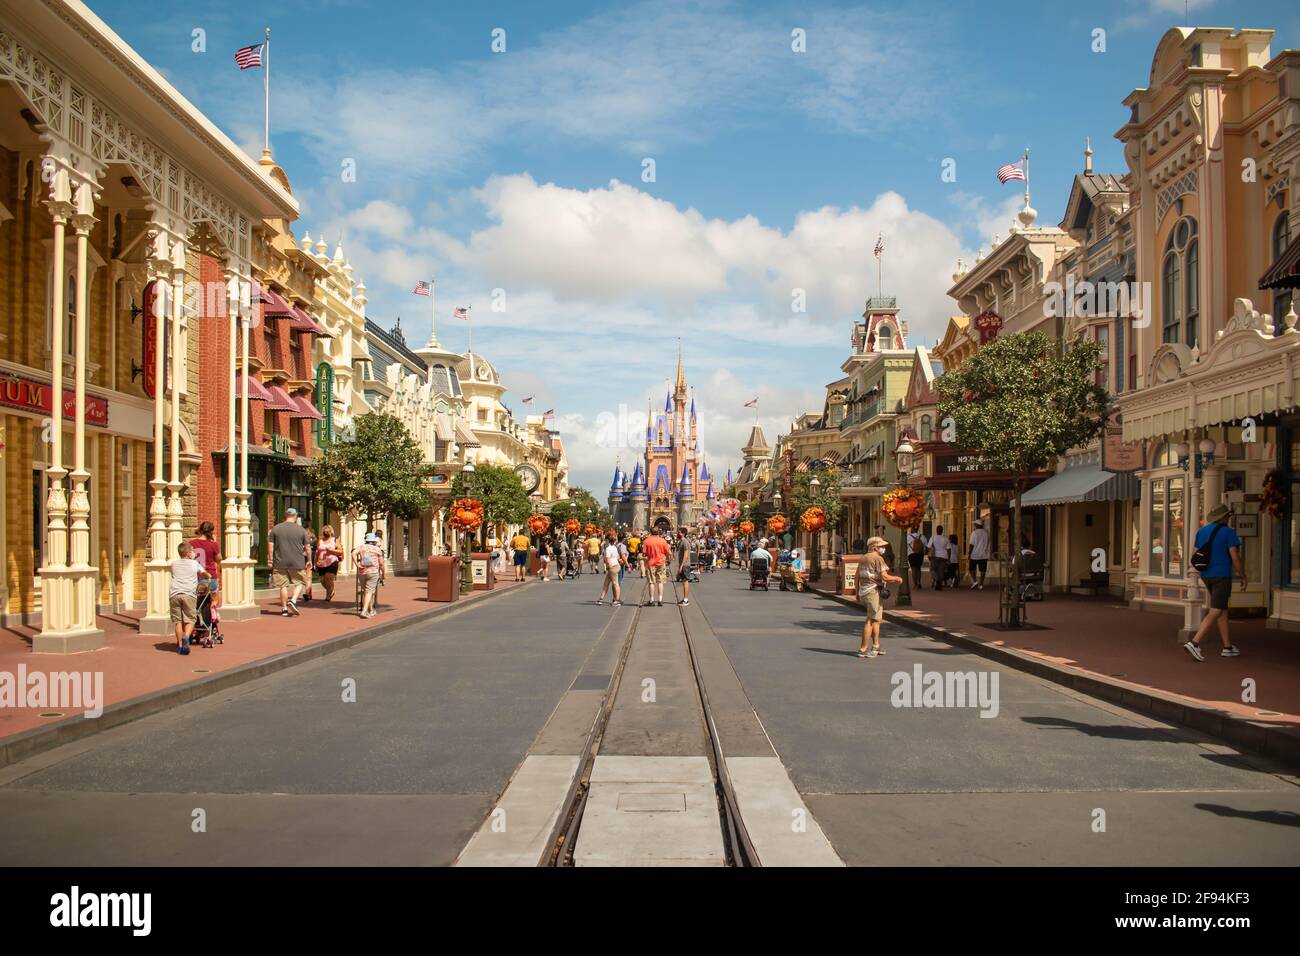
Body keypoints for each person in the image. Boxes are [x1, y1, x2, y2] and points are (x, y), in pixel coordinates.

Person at [1184, 504, 1246, 662]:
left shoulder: (1202, 531)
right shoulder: (1228, 532)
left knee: (1222, 608)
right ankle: (1195, 642)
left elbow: (1194, 554)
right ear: (1224, 517)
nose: (1229, 519)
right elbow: (1235, 557)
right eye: (1228, 516)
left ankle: (1227, 647)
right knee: (1216, 610)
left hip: (1206, 575)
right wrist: (1243, 575)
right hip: (1222, 575)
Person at [856, 536, 903, 659]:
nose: (883, 548)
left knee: (877, 619)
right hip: (873, 592)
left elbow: (857, 576)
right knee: (870, 620)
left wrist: (857, 592)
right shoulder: (878, 558)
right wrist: (897, 579)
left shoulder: (863, 558)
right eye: (881, 546)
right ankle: (863, 648)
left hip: (864, 591)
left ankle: (876, 645)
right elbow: (885, 576)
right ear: (875, 547)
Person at [267, 507, 311, 616]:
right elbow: (308, 547)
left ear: (285, 516)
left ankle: (284, 609)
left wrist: (270, 559)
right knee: (300, 582)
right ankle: (294, 600)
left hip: (280, 561)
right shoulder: (301, 530)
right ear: (295, 517)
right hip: (297, 561)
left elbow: (270, 546)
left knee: (283, 585)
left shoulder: (275, 529)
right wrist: (309, 560)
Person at [170, 540, 210, 655]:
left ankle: (180, 646)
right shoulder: (194, 563)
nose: (193, 553)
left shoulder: (173, 564)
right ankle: (186, 637)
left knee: (177, 621)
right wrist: (209, 575)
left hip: (174, 594)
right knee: (190, 619)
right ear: (187, 553)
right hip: (188, 594)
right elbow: (204, 573)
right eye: (192, 551)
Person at [189, 521, 221, 609]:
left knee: (195, 597)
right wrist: (214, 542)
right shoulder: (213, 544)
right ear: (211, 532)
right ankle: (213, 613)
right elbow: (219, 559)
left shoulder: (191, 543)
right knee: (214, 598)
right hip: (210, 575)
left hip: (196, 576)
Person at [354, 532, 385, 618]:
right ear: (374, 541)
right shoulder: (377, 549)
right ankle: (364, 611)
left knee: (366, 592)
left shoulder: (361, 547)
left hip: (362, 572)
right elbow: (381, 564)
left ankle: (371, 610)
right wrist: (383, 575)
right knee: (369, 592)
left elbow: (353, 553)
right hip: (373, 572)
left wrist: (357, 564)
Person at [641, 527, 671, 607]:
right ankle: (660, 600)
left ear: (650, 532)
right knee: (660, 581)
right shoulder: (663, 541)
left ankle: (651, 600)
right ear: (658, 532)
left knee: (651, 582)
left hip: (651, 563)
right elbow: (668, 552)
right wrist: (666, 559)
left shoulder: (646, 541)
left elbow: (644, 553)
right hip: (661, 563)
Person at [314, 525, 344, 601]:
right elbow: (317, 552)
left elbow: (340, 551)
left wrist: (332, 550)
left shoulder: (334, 540)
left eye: (327, 531)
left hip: (332, 562)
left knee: (329, 578)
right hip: (321, 563)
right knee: (322, 580)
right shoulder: (320, 541)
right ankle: (331, 590)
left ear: (331, 532)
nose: (326, 533)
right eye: (324, 531)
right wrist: (315, 563)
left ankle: (328, 595)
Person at [597, 531, 623, 607]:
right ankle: (601, 599)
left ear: (608, 540)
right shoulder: (615, 547)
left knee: (615, 584)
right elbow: (618, 557)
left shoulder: (608, 549)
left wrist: (608, 566)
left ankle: (617, 600)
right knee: (606, 583)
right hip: (616, 566)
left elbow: (607, 559)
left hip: (612, 567)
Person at [968, 520, 990, 590]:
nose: (974, 526)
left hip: (974, 554)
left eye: (975, 524)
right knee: (983, 570)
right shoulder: (986, 533)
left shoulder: (974, 533)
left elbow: (971, 544)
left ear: (977, 525)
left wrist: (969, 553)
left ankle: (974, 581)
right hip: (984, 554)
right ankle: (981, 584)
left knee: (971, 569)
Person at [675, 530, 694, 606]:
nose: (677, 533)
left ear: (683, 533)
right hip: (683, 565)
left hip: (685, 565)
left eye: (679, 532)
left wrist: (681, 566)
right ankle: (685, 599)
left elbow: (686, 555)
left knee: (685, 581)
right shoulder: (681, 541)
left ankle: (686, 600)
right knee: (683, 581)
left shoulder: (685, 542)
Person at [929, 525, 949, 591]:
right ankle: (939, 584)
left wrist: (927, 554)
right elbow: (949, 549)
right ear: (942, 530)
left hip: (935, 556)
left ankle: (937, 580)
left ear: (936, 530)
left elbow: (928, 546)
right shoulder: (946, 538)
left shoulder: (933, 537)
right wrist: (948, 557)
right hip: (944, 556)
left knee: (932, 569)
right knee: (941, 571)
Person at [301, 526, 318, 602]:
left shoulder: (315, 541)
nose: (306, 534)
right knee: (307, 578)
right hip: (302, 560)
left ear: (311, 533)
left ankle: (307, 593)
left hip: (310, 560)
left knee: (308, 577)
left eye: (308, 533)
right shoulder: (302, 540)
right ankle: (309, 594)